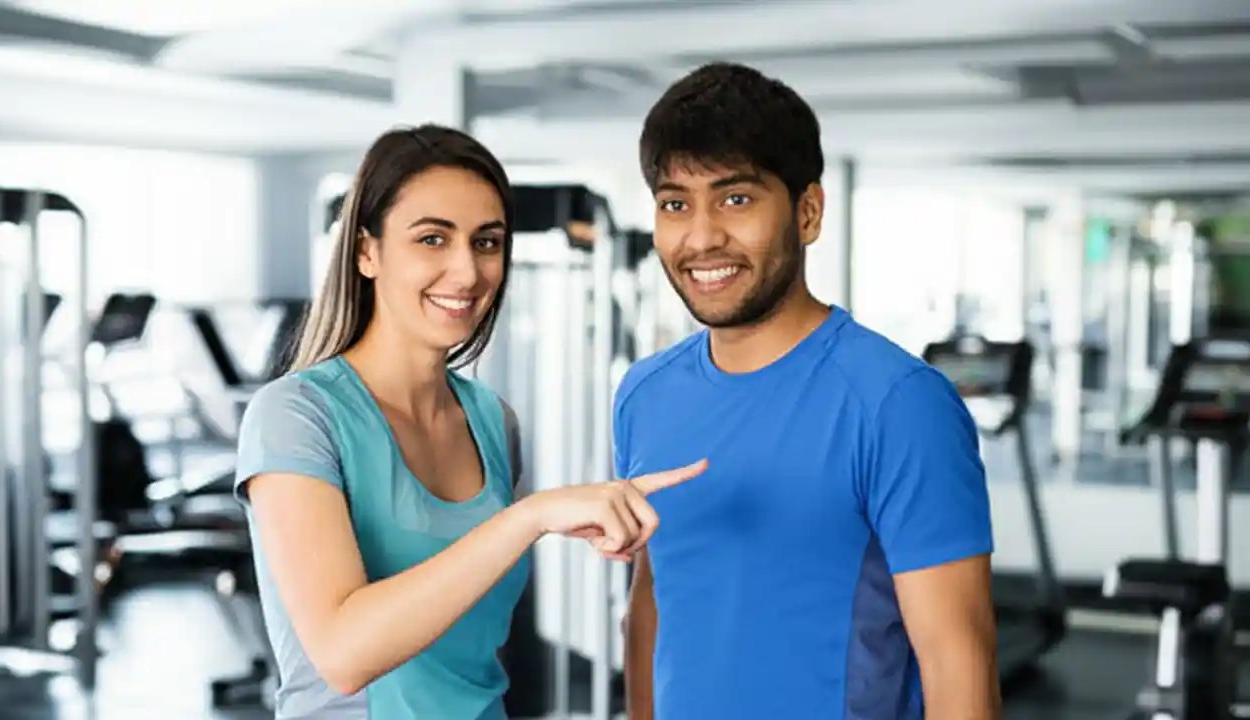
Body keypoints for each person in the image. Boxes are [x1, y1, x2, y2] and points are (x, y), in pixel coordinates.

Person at [233, 125, 706, 719]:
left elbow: (471, 659)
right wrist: (530, 517)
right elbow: (342, 652)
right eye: (432, 239)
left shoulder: (490, 420)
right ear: (366, 251)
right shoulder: (295, 415)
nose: (467, 272)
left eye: (486, 243)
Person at [618, 63, 1001, 719]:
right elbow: (654, 604)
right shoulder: (643, 395)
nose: (702, 236)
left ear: (808, 211)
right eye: (675, 203)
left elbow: (958, 664)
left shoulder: (901, 404)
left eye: (735, 199)